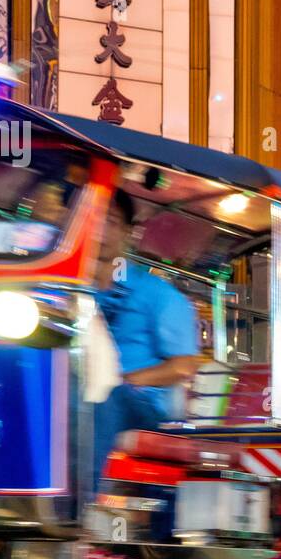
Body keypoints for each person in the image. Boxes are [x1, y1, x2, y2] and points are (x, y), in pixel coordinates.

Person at [92, 187, 201, 483]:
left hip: (144, 406)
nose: (99, 229)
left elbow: (184, 365)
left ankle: (81, 502)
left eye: (111, 221)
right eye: (93, 218)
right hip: (86, 392)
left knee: (110, 398)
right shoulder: (73, 289)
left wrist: (128, 381)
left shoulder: (158, 295)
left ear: (129, 232)